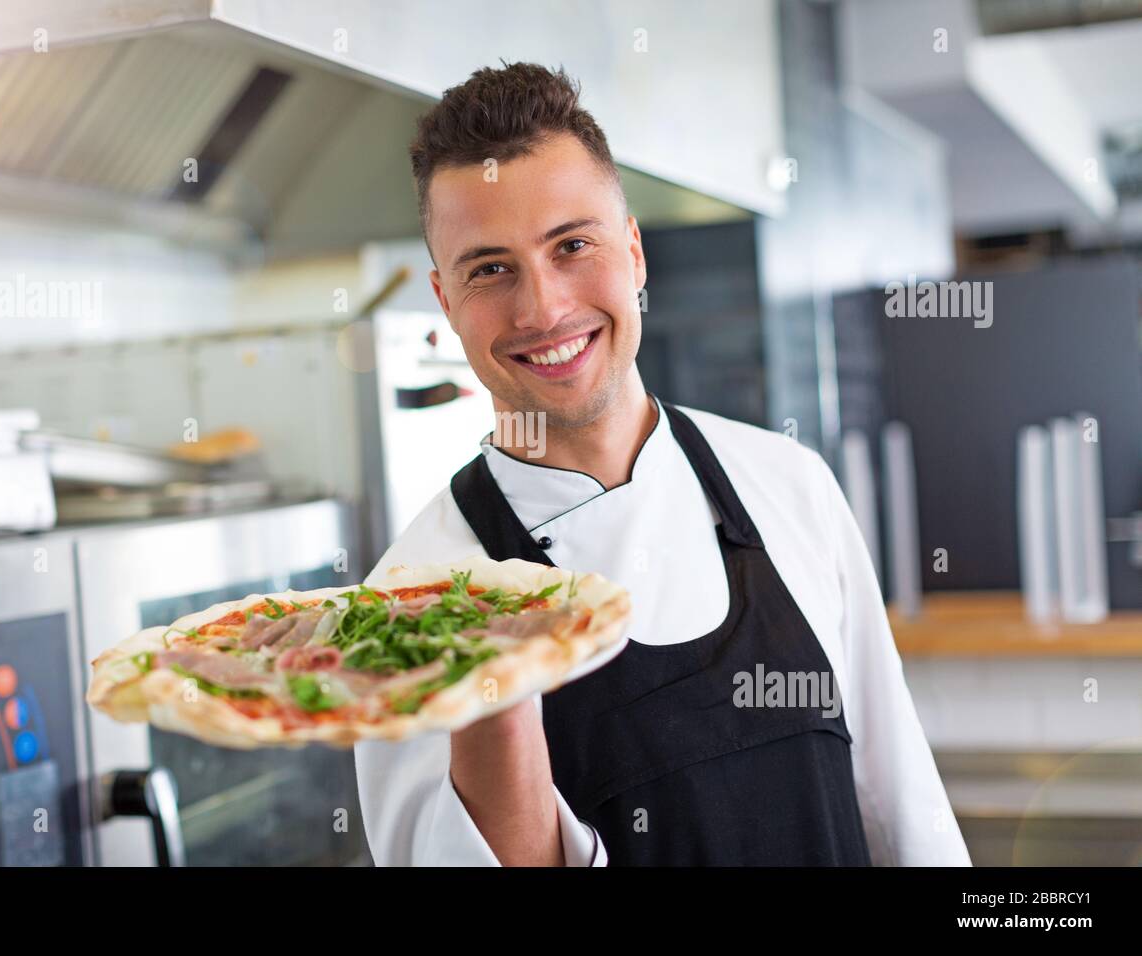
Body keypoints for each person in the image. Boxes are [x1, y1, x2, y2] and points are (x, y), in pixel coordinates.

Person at [353, 62, 970, 867]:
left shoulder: (786, 481)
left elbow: (902, 810)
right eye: (491, 268)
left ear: (635, 255)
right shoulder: (409, 605)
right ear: (445, 302)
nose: (543, 309)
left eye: (572, 245)